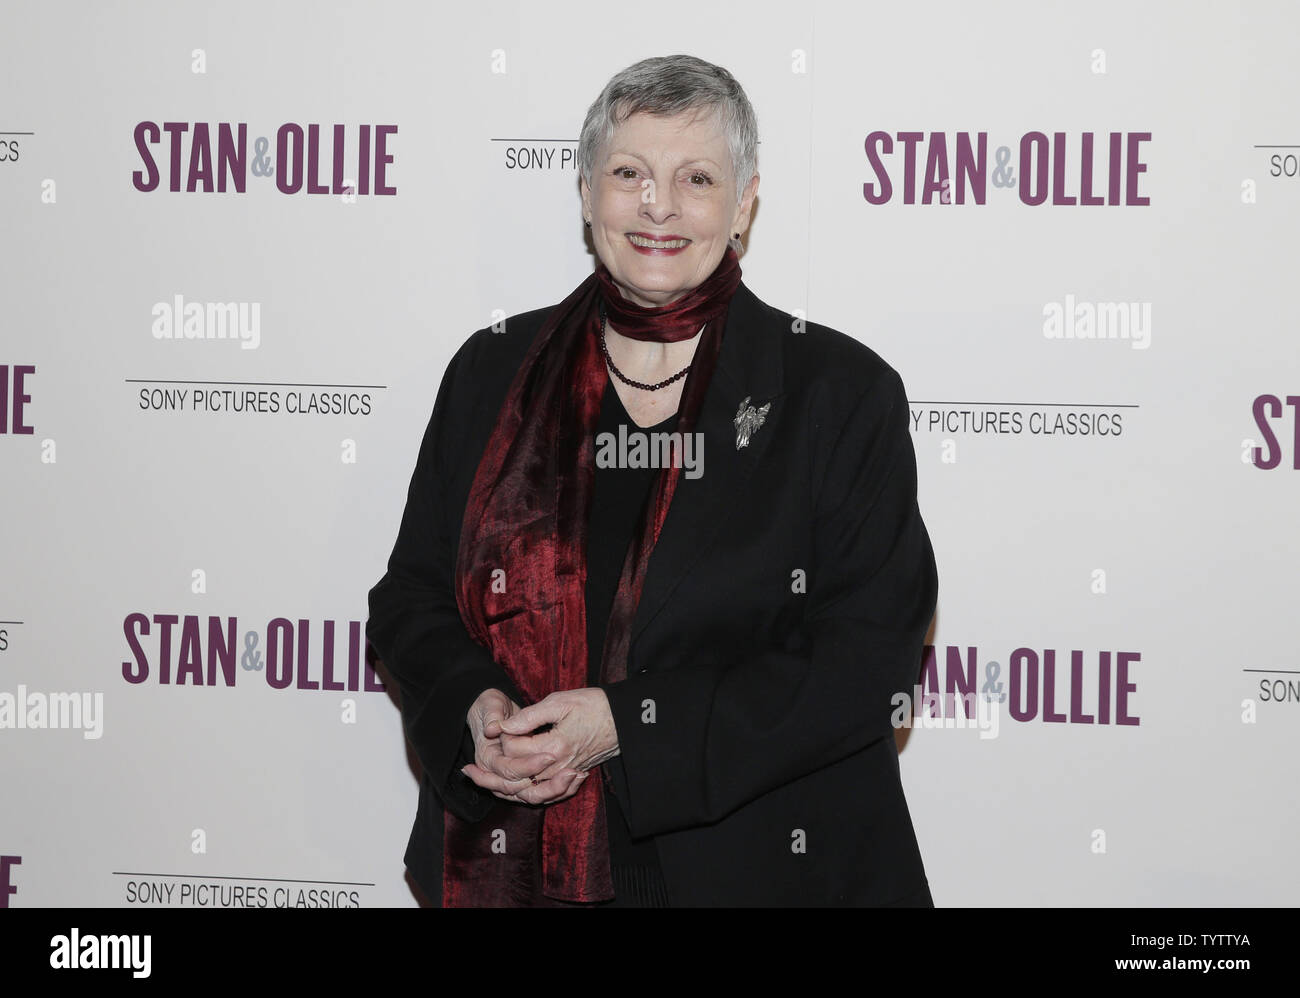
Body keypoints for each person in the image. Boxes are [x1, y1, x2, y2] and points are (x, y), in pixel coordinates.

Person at [366, 53, 938, 907]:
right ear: (587, 193)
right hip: (518, 868)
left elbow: (867, 659)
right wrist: (474, 706)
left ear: (744, 203)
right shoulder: (491, 373)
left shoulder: (838, 393)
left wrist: (624, 727)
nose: (657, 205)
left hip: (768, 874)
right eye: (628, 172)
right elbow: (411, 597)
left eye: (696, 178)